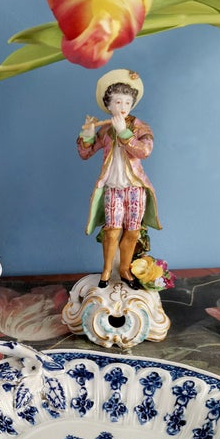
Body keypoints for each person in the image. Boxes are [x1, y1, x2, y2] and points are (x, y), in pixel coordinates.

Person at [77, 69, 159, 288]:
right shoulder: (105, 131)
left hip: (134, 188)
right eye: (118, 102)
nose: (122, 108)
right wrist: (87, 134)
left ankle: (124, 269)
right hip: (113, 187)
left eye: (127, 103)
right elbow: (85, 154)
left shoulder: (140, 127)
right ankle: (106, 270)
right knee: (112, 231)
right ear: (108, 105)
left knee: (133, 230)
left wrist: (124, 133)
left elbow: (144, 151)